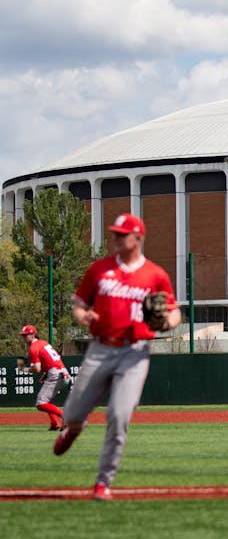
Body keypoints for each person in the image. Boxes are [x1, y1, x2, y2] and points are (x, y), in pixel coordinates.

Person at [53, 213, 181, 501]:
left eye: (121, 234)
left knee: (119, 416)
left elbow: (174, 310)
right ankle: (74, 427)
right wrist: (82, 315)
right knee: (72, 414)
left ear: (137, 238)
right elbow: (79, 303)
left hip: (135, 353)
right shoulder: (99, 269)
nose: (115, 238)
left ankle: (103, 482)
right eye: (115, 233)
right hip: (100, 349)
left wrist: (168, 323)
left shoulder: (155, 274)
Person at [18, 325, 71, 430]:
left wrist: (23, 369)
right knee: (46, 401)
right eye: (23, 335)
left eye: (26, 335)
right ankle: (54, 423)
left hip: (56, 374)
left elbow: (36, 369)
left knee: (41, 403)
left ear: (33, 335)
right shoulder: (43, 343)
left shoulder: (33, 348)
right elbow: (51, 361)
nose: (24, 337)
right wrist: (46, 374)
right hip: (63, 373)